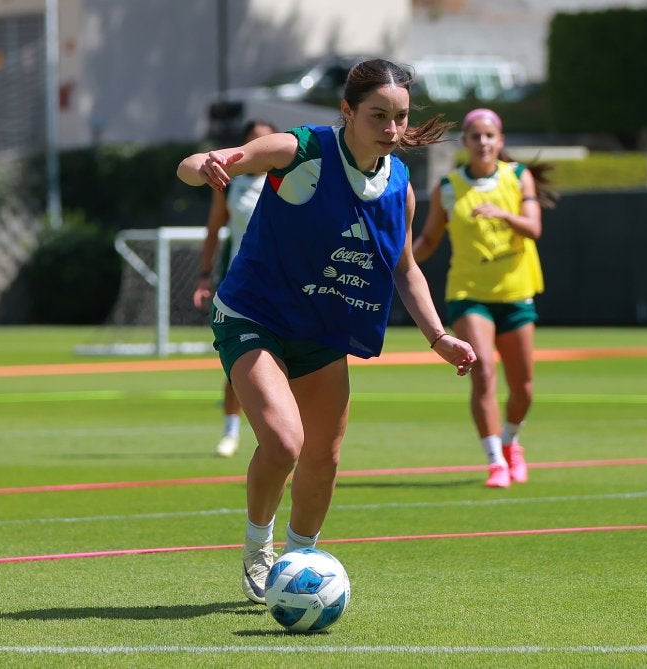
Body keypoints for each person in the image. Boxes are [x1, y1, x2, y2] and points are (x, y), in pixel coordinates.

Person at [177, 58, 477, 604]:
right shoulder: (303, 149)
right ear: (347, 111)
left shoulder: (401, 185)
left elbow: (404, 268)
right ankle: (258, 550)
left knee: (325, 455)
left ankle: (301, 561)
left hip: (322, 328)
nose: (390, 129)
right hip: (253, 314)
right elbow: (198, 163)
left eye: (399, 118)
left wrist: (439, 336)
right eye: (377, 115)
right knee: (286, 441)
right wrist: (207, 164)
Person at [413, 107, 554, 489]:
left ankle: (510, 443)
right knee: (484, 373)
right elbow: (428, 241)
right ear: (466, 143)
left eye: (490, 135)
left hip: (515, 291)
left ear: (501, 141)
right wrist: (396, 260)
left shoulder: (518, 177)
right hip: (468, 293)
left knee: (523, 388)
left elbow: (533, 228)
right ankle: (495, 461)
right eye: (475, 136)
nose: (483, 142)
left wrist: (502, 215)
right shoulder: (448, 187)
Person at [193, 119, 278, 458]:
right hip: (241, 289)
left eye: (265, 139)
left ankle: (285, 433)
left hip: (286, 287)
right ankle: (230, 431)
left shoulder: (292, 179)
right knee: (239, 363)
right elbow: (214, 229)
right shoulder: (231, 183)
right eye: (252, 139)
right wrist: (203, 276)